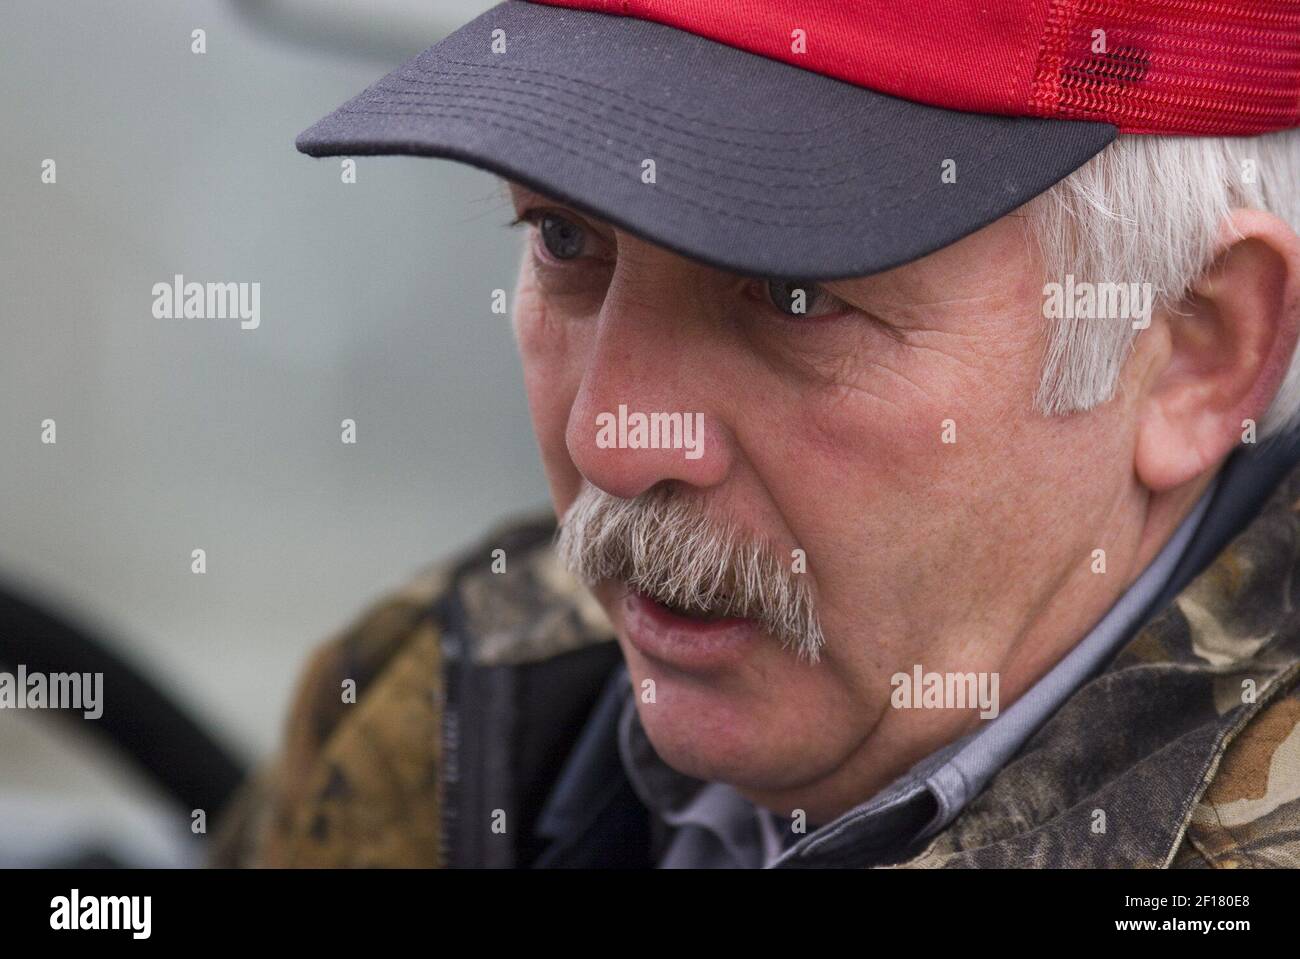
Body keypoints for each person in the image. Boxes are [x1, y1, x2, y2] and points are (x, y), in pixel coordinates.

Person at [212, 0, 1300, 868]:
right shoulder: (436, 694)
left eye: (791, 296)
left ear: (1193, 352)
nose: (608, 441)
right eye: (563, 238)